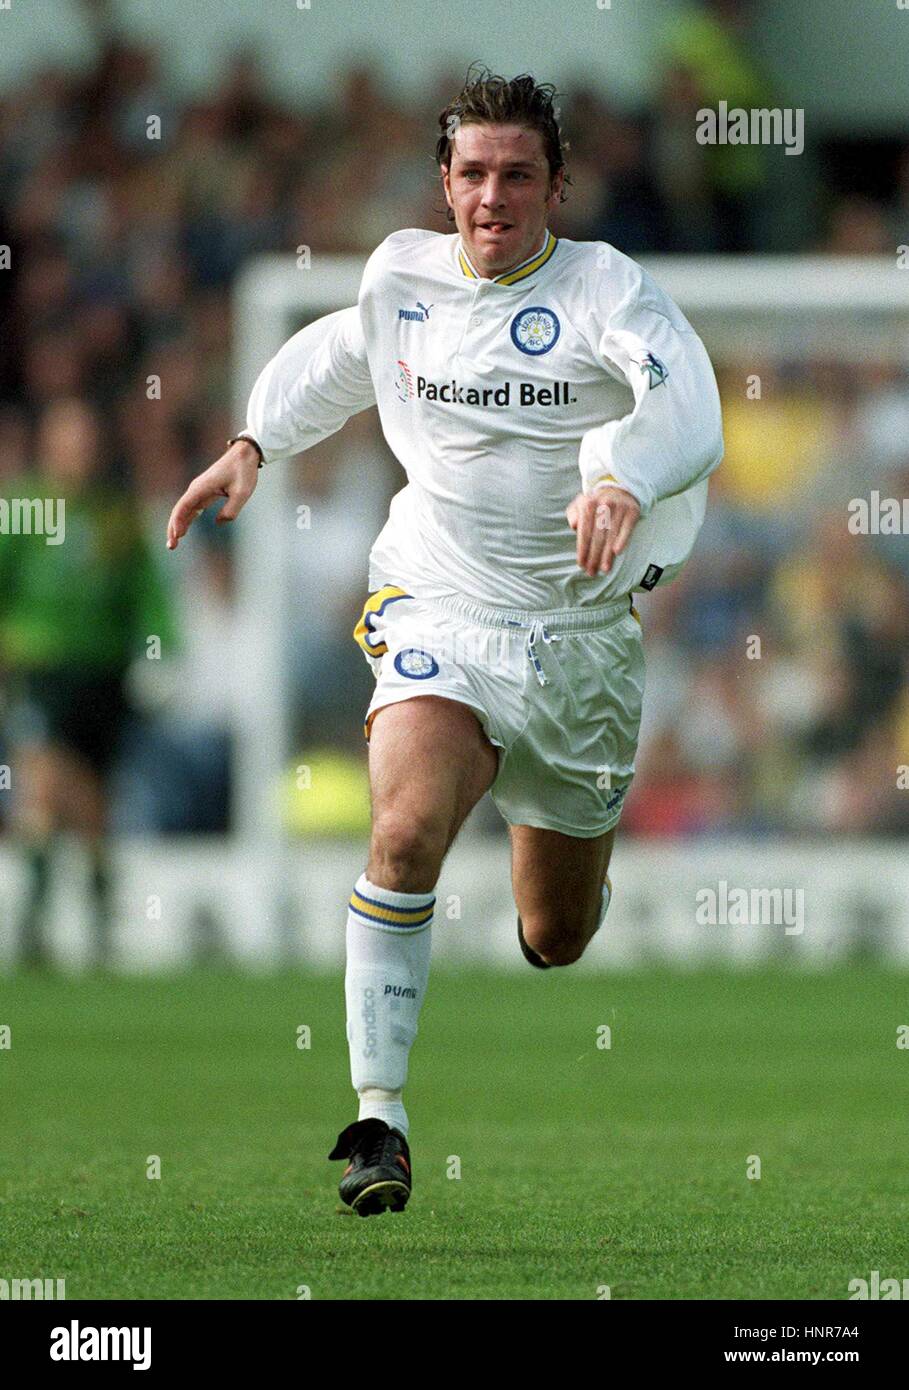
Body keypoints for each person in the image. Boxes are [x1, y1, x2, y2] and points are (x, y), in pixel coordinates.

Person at [166, 69, 724, 1217]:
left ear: (556, 187)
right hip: (438, 605)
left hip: (578, 641)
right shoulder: (402, 277)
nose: (492, 196)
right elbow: (338, 356)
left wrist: (622, 475)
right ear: (446, 181)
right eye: (473, 172)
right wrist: (252, 444)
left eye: (518, 174)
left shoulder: (605, 289)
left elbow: (689, 403)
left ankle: (565, 886)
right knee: (405, 829)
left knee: (555, 933)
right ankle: (380, 1117)